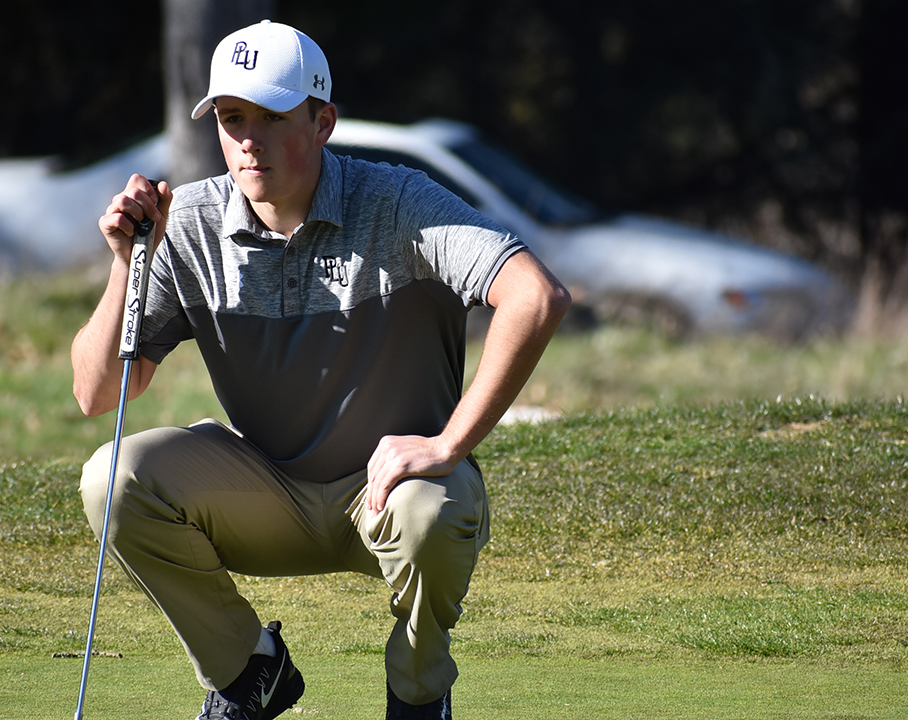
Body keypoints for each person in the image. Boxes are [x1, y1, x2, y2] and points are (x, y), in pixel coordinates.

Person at [72, 19, 570, 720]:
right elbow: (98, 392)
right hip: (264, 493)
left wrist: (448, 445)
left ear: (323, 120)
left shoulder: (397, 203)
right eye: (232, 118)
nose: (249, 141)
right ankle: (251, 676)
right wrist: (128, 262)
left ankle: (419, 692)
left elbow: (536, 295)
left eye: (273, 118)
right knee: (112, 479)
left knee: (437, 506)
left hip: (390, 495)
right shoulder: (186, 225)